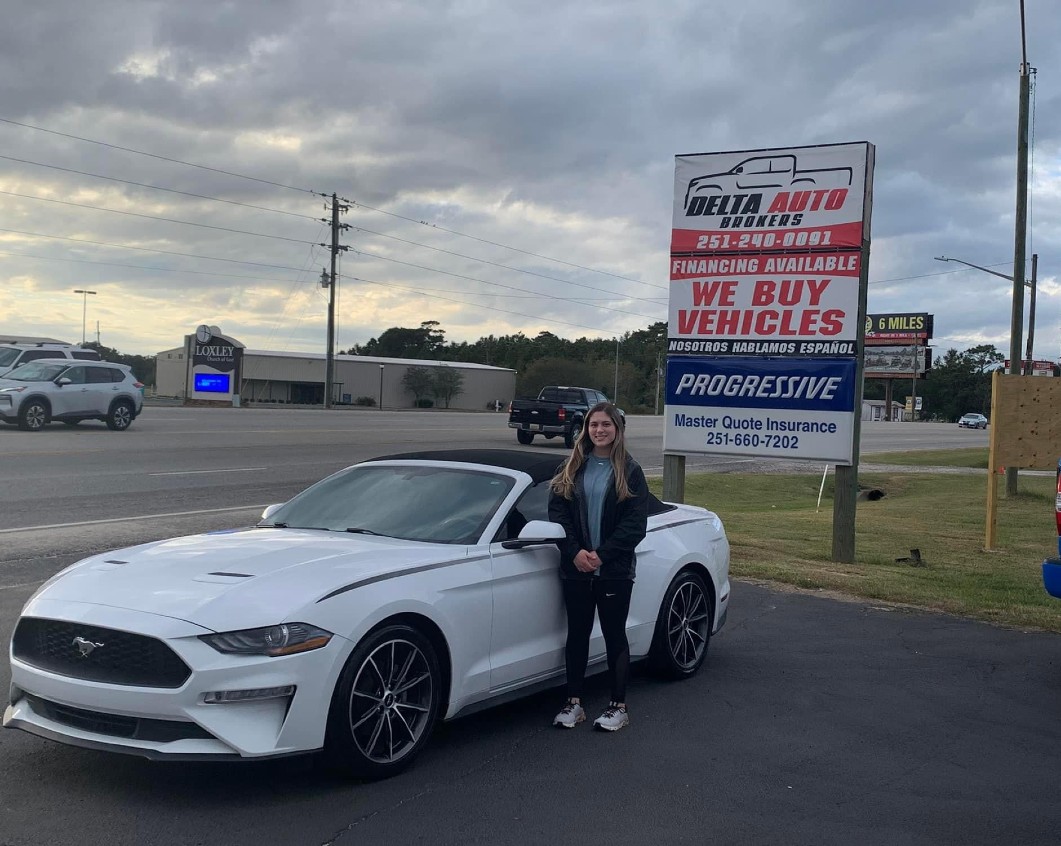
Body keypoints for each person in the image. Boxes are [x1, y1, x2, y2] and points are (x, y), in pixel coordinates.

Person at [547, 401, 649, 731]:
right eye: (594, 425)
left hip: (614, 570)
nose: (599, 430)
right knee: (577, 633)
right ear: (586, 429)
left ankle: (617, 707)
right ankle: (574, 703)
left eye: (606, 425)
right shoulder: (572, 466)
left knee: (613, 635)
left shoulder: (630, 471)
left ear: (617, 430)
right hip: (576, 568)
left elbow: (635, 525)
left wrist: (602, 555)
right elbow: (558, 514)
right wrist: (575, 553)